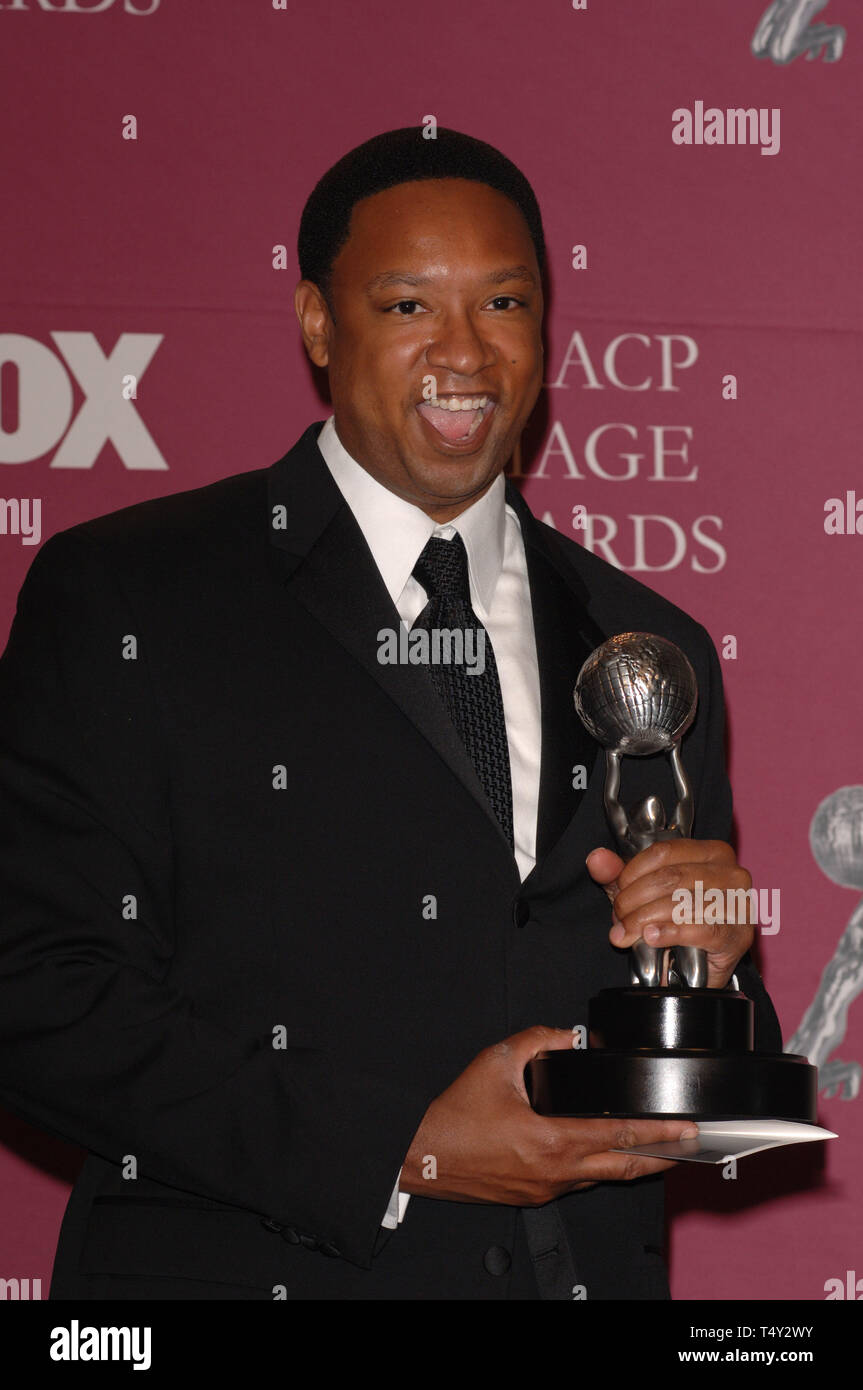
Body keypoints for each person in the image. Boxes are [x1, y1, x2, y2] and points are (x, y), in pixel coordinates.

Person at [0, 126, 781, 1301]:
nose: (463, 353)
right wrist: (402, 1149)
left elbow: (696, 1048)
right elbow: (38, 992)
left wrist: (712, 969)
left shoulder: (644, 641)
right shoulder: (132, 593)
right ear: (320, 324)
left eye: (504, 302)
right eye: (409, 304)